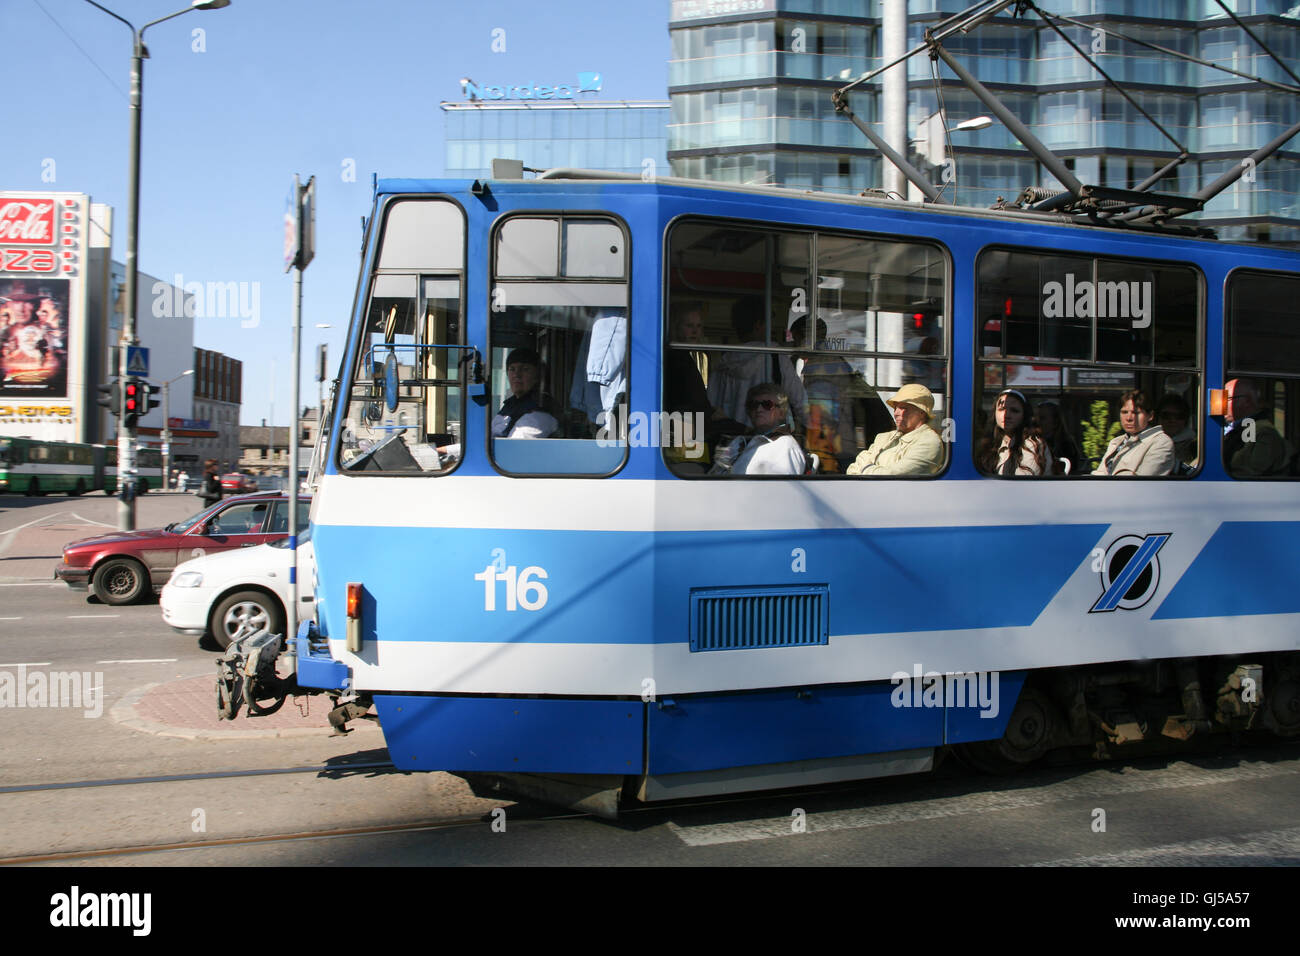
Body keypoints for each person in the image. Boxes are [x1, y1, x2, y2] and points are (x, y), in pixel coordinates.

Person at [707, 297, 806, 432]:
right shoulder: (777, 357)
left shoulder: (724, 362)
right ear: (758, 325)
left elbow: (712, 405)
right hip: (771, 437)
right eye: (769, 324)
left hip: (734, 438)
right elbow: (800, 401)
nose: (771, 329)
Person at [846, 383, 944, 476]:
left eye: (903, 408)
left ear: (921, 412)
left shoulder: (929, 442)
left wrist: (865, 469)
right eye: (895, 407)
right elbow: (852, 470)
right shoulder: (883, 438)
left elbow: (893, 476)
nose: (896, 413)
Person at [712, 384, 806, 476]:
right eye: (754, 405)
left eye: (767, 405)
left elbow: (781, 489)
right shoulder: (741, 441)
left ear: (781, 413)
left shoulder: (785, 446)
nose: (759, 409)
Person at [1093, 390, 1175, 476]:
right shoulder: (1116, 442)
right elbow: (1100, 474)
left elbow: (1143, 481)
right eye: (1124, 412)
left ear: (1150, 416)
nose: (1129, 418)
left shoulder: (1161, 442)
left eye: (1136, 413)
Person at [1222, 377, 1291, 476]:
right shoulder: (1238, 428)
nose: (1222, 405)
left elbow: (1250, 474)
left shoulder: (1264, 432)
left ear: (1247, 402)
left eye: (1227, 399)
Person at [977, 388, 1047, 475]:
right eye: (1001, 409)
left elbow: (1022, 483)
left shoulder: (1033, 444)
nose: (1006, 415)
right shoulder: (991, 444)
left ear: (1024, 415)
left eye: (1014, 411)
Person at [1036, 400, 1085, 475]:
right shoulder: (1032, 441)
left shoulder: (1066, 445)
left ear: (1055, 422)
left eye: (1042, 418)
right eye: (1036, 417)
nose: (1037, 421)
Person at [1156, 393, 1197, 468]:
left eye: (1179, 416)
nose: (1172, 420)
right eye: (1166, 415)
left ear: (1186, 419)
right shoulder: (1149, 443)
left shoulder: (1195, 446)